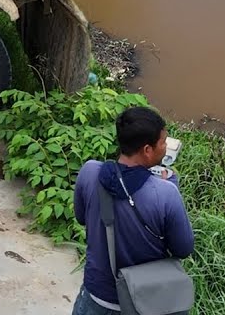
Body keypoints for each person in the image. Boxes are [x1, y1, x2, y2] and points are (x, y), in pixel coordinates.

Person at [72, 106, 195, 315]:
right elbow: (183, 249)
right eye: (163, 143)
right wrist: (172, 185)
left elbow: (81, 218)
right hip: (143, 302)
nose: (165, 147)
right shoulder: (166, 192)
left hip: (95, 299)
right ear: (147, 150)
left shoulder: (89, 172)